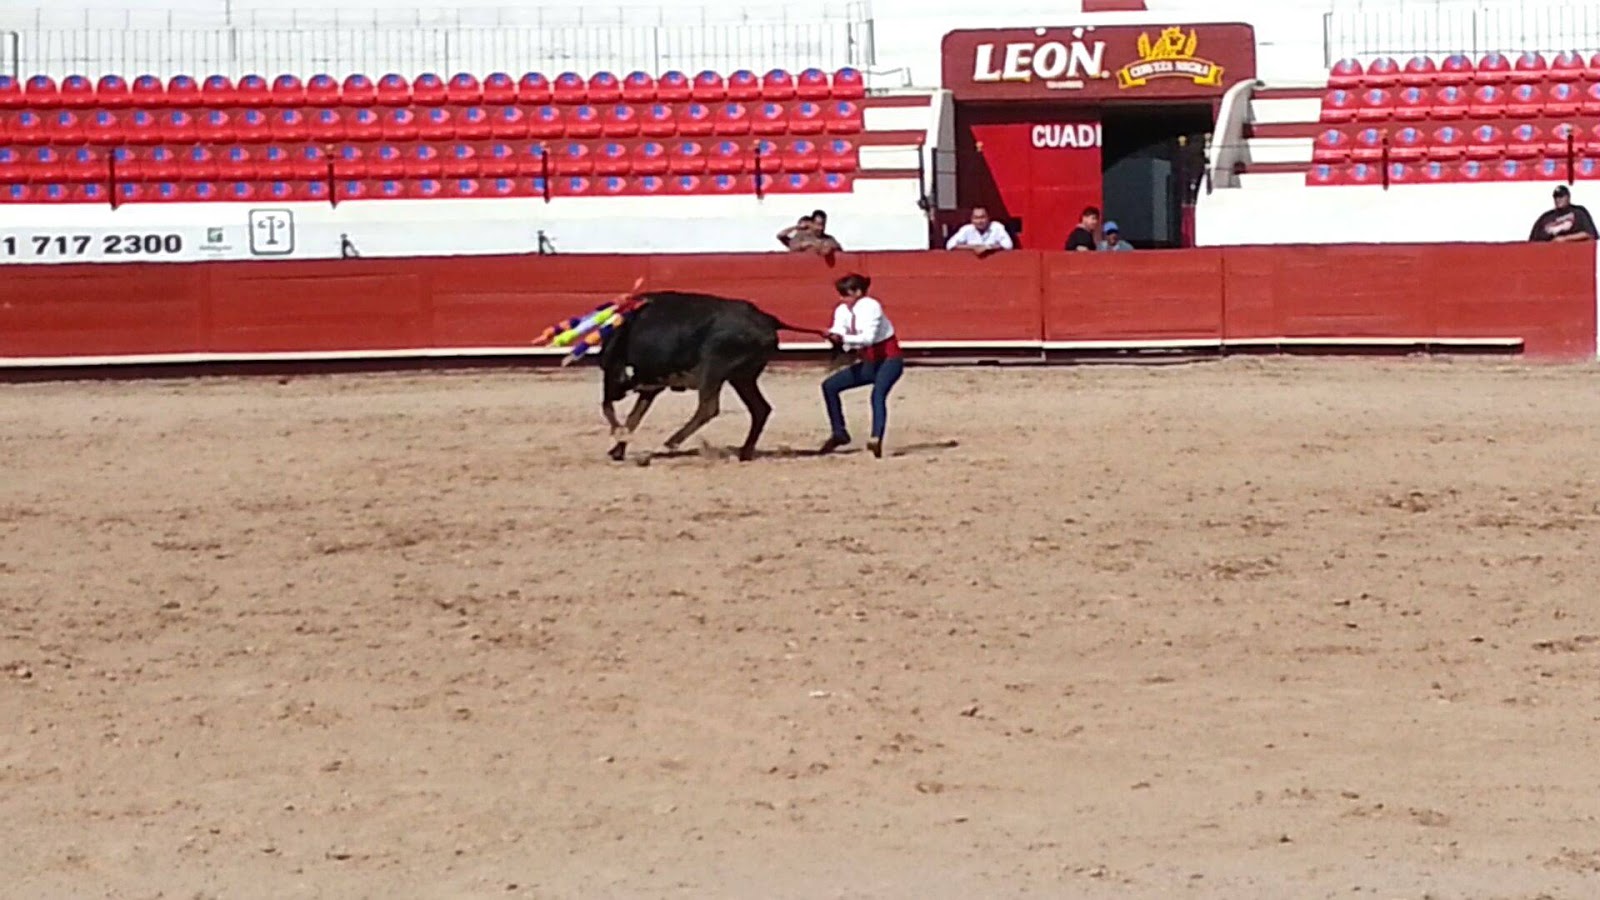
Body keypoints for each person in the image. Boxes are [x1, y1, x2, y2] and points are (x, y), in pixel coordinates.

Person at [819, 272, 903, 459]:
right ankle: (839, 433)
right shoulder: (842, 310)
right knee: (829, 386)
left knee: (877, 395)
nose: (842, 298)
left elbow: (868, 338)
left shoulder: (871, 306)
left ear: (858, 292)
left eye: (846, 294)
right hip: (870, 362)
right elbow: (839, 331)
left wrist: (843, 338)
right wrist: (833, 336)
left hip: (890, 361)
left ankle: (876, 438)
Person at [1529, 185, 1598, 243]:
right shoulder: (1545, 217)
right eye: (1556, 197)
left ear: (1568, 197)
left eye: (1561, 196)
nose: (1558, 200)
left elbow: (1590, 234)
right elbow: (1533, 241)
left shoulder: (1579, 212)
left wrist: (1564, 239)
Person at [944, 205, 1014, 254]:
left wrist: (988, 247)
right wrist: (974, 247)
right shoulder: (966, 229)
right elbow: (950, 245)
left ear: (988, 217)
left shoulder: (997, 227)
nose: (980, 221)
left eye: (982, 217)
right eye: (976, 218)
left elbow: (1008, 245)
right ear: (971, 219)